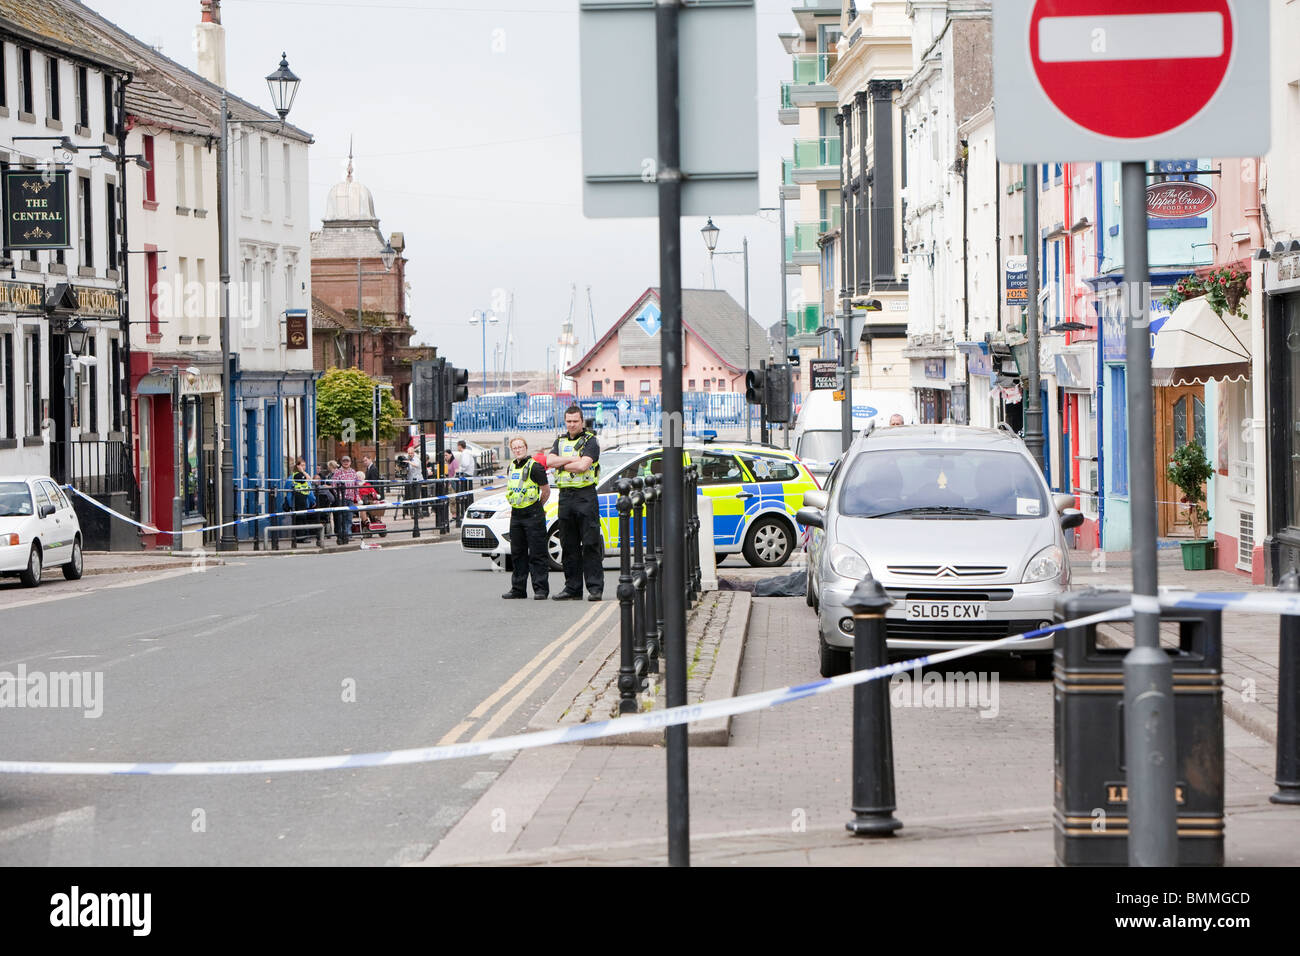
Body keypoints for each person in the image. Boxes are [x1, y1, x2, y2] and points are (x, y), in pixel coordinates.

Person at [548, 405, 604, 601]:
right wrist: (571, 460)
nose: (571, 424)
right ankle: (572, 588)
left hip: (585, 496)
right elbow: (549, 461)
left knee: (590, 543)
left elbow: (583, 466)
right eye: (568, 421)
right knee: (568, 544)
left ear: (582, 422)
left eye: (575, 421)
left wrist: (561, 463)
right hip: (565, 497)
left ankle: (595, 588)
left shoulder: (590, 441)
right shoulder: (560, 440)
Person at [501, 436, 551, 601]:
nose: (518, 450)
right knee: (518, 553)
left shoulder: (535, 467)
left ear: (526, 447)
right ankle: (518, 589)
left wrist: (538, 507)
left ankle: (540, 589)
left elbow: (545, 491)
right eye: (514, 448)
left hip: (533, 513)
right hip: (516, 514)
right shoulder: (511, 467)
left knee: (537, 553)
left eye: (520, 447)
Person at [333, 456, 360, 544]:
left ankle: (348, 534)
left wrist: (357, 496)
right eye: (344, 461)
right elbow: (334, 485)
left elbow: (356, 484)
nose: (346, 463)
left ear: (350, 462)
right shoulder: (338, 472)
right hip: (341, 498)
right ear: (341, 462)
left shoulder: (353, 472)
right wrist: (339, 495)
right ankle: (341, 534)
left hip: (350, 498)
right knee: (341, 517)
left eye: (347, 461)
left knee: (349, 516)